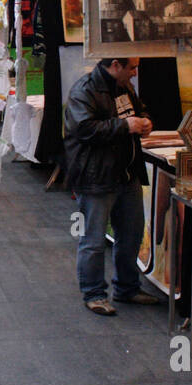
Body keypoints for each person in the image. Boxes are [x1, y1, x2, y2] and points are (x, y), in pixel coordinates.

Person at [64, 57, 155, 316]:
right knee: (92, 240)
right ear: (116, 65)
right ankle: (93, 293)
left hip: (126, 174)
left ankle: (127, 288)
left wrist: (145, 120)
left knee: (131, 236)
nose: (136, 72)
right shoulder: (85, 90)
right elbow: (83, 129)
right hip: (96, 177)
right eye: (132, 67)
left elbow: (139, 110)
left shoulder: (124, 87)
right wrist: (125, 126)